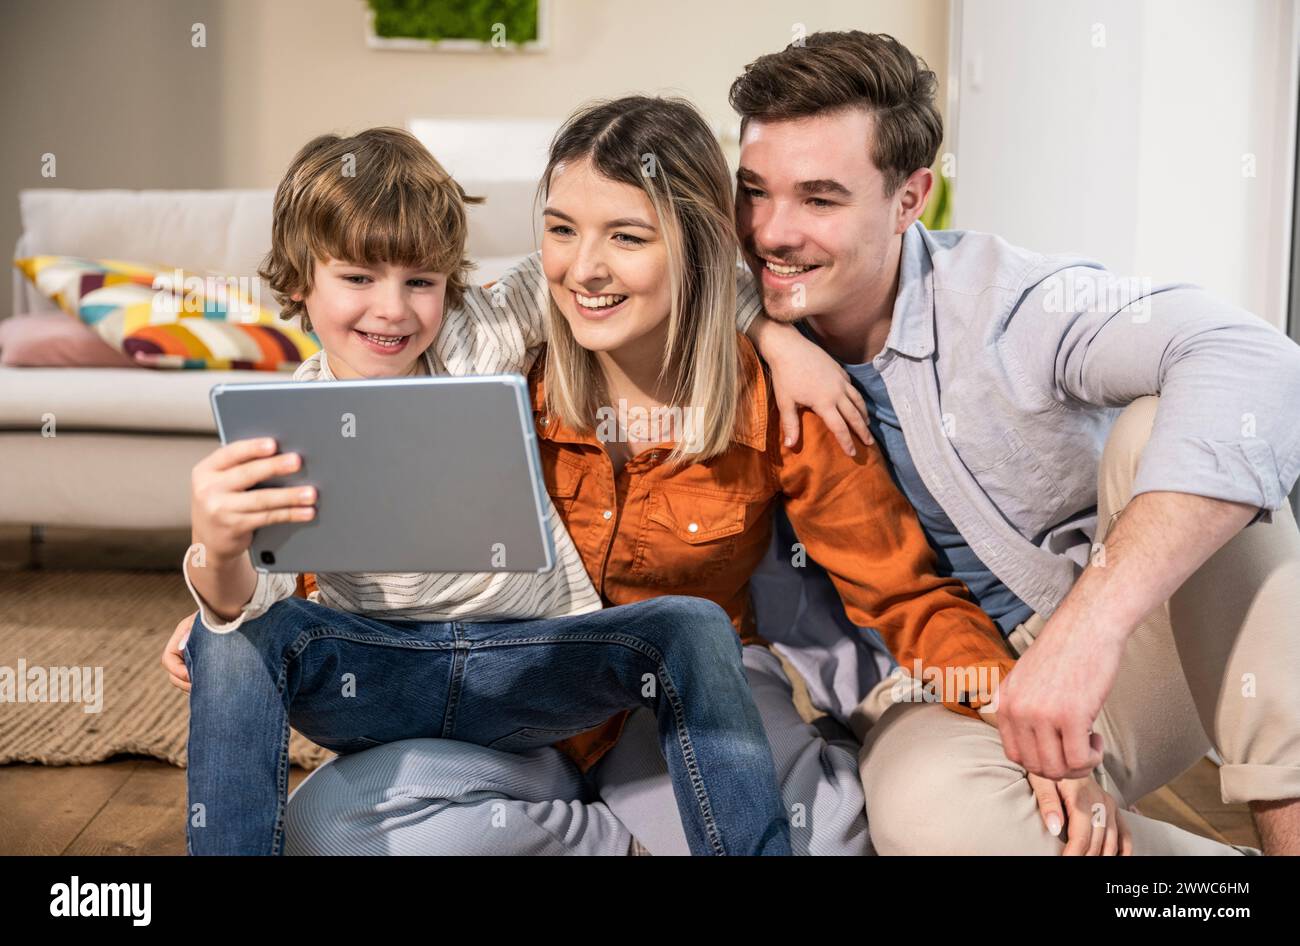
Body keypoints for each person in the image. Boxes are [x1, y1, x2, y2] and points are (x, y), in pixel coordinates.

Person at [272, 95, 1021, 856]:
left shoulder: (778, 397)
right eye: (562, 230)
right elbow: (350, 542)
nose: (583, 269)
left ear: (695, 248)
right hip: (523, 721)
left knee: (823, 842)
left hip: (691, 707)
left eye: (627, 237)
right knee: (329, 825)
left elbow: (903, 594)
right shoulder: (494, 370)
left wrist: (1023, 722)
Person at [177, 124, 841, 856]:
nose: (394, 310)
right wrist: (215, 561)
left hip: (527, 665)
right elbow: (251, 606)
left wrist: (778, 339)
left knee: (694, 624)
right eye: (359, 279)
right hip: (384, 677)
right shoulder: (280, 429)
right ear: (301, 280)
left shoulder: (479, 334)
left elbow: (689, 263)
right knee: (229, 640)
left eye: (420, 281)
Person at [729, 29, 1300, 854]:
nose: (774, 233)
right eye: (755, 191)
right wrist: (766, 330)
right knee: (926, 813)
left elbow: (1260, 361)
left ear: (908, 198)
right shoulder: (726, 319)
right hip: (934, 691)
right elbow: (593, 270)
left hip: (1116, 655)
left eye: (820, 200)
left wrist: (1085, 633)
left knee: (1176, 428)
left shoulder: (1015, 303)